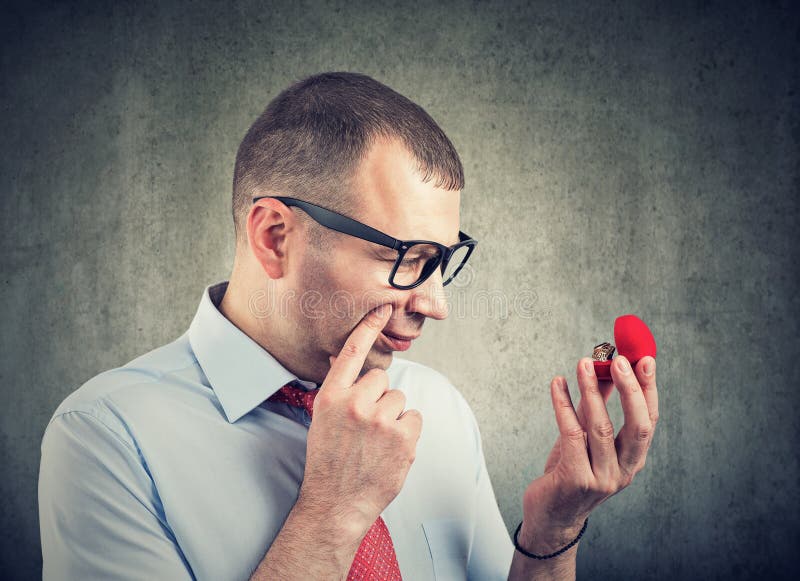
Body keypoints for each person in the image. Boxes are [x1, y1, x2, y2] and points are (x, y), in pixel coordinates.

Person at [38, 72, 659, 580]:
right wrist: (334, 512)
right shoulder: (105, 441)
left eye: (440, 262)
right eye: (405, 258)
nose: (435, 304)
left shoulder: (438, 409)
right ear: (275, 237)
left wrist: (551, 534)